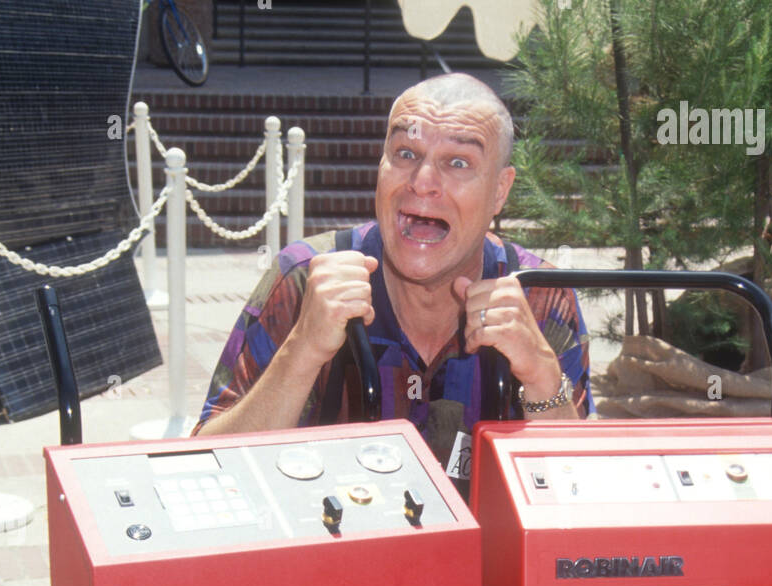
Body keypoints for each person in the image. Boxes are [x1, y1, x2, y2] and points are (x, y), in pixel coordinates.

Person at [194, 73, 592, 473]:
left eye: (458, 162)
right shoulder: (306, 277)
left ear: (500, 192)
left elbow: (576, 498)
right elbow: (205, 471)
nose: (422, 183)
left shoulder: (539, 296)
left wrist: (542, 377)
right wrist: (302, 350)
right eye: (405, 154)